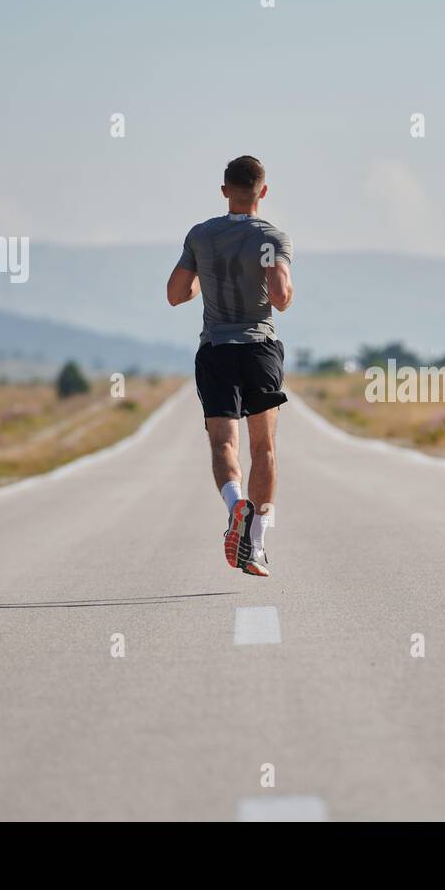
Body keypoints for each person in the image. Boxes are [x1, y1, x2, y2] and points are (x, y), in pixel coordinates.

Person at [166, 155, 294, 577]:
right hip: (259, 348)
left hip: (217, 348)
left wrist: (206, 274)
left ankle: (235, 502)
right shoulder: (272, 237)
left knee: (224, 444)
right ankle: (255, 545)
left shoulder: (201, 235)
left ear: (225, 190)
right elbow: (279, 297)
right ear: (264, 191)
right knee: (265, 448)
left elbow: (175, 294)